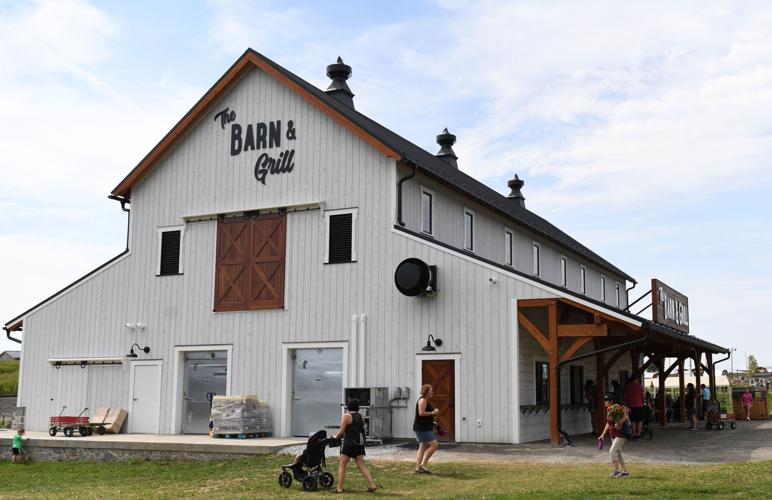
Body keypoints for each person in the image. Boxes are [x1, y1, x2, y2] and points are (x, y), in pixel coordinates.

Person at [332, 399, 377, 494]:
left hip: (349, 444)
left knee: (342, 464)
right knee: (361, 465)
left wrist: (335, 437)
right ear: (357, 407)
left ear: (348, 407)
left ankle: (339, 488)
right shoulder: (360, 416)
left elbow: (342, 431)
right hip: (359, 444)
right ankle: (372, 485)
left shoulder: (346, 416)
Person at [413, 384, 440, 474]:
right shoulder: (423, 400)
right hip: (422, 428)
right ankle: (423, 465)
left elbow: (425, 415)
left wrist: (433, 422)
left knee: (423, 446)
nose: (432, 392)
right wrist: (433, 412)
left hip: (423, 427)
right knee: (434, 445)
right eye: (431, 390)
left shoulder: (426, 400)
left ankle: (418, 467)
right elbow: (421, 413)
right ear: (426, 392)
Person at [598, 402, 631, 478]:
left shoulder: (618, 411)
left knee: (612, 451)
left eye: (607, 401)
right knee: (617, 453)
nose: (605, 402)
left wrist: (618, 423)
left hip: (621, 435)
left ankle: (616, 471)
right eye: (604, 401)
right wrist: (603, 434)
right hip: (613, 435)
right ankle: (625, 472)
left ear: (611, 401)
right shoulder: (609, 410)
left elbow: (625, 418)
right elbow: (608, 423)